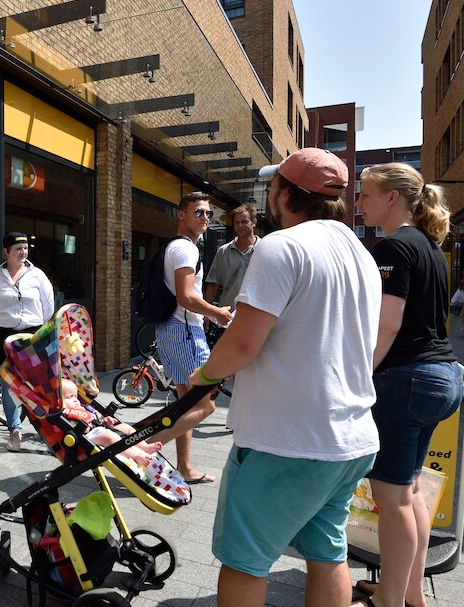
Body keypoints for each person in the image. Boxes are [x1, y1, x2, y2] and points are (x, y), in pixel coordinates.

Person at [150, 148, 380, 606]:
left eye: (273, 186)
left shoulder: (282, 247)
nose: (269, 194)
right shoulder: (362, 255)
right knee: (328, 552)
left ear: (289, 195)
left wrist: (200, 376)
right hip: (350, 439)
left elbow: (241, 343)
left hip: (286, 441)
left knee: (245, 561)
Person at [355, 163, 464, 607]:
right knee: (410, 489)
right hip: (444, 378)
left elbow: (389, 323)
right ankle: (408, 592)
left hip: (408, 380)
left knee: (392, 496)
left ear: (392, 198)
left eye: (364, 194)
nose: (357, 202)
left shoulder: (394, 246)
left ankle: (389, 601)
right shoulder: (429, 246)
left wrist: (360, 376)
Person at [155, 192, 234, 484]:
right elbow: (186, 297)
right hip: (185, 331)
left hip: (171, 329)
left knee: (185, 403)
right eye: (198, 212)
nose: (205, 218)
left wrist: (211, 314)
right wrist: (218, 313)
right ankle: (144, 445)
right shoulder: (186, 250)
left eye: (208, 214)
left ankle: (185, 467)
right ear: (181, 215)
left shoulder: (173, 247)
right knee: (206, 403)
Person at [0, 231, 55, 452]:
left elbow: (48, 307)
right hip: (3, 338)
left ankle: (45, 429)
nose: (23, 253)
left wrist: (35, 333)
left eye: (25, 248)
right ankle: (14, 430)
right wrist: (5, 326)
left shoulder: (38, 276)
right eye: (17, 249)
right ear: (6, 252)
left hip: (32, 338)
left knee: (38, 385)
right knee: (8, 385)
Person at [57, 379, 163, 466]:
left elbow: (96, 420)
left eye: (76, 396)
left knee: (126, 428)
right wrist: (83, 427)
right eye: (70, 397)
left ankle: (145, 447)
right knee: (109, 436)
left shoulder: (82, 409)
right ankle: (136, 456)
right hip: (84, 441)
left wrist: (106, 421)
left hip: (99, 431)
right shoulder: (64, 415)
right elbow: (73, 429)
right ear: (59, 401)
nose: (76, 400)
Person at [204, 203, 259, 338]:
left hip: (256, 321)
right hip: (226, 320)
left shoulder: (265, 250)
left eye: (244, 221)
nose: (240, 226)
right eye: (237, 223)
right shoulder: (223, 251)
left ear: (254, 223)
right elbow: (213, 285)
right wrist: (206, 313)